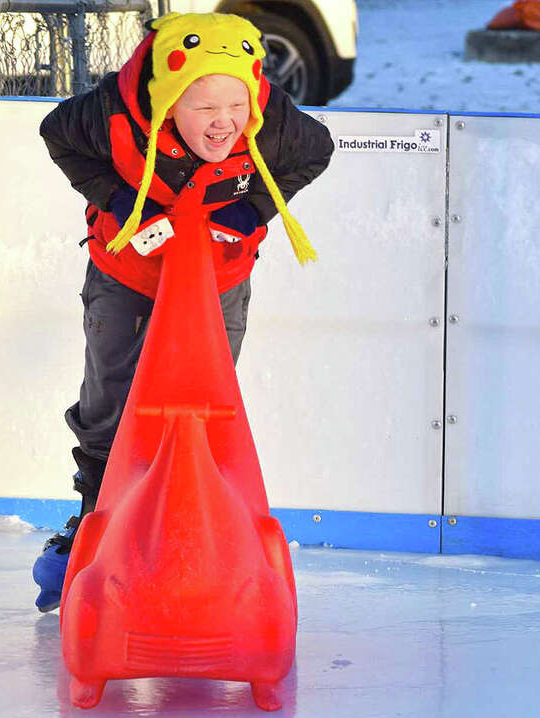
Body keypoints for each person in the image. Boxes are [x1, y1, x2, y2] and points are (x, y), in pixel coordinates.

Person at [32, 11, 334, 612]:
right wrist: (121, 201)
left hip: (217, 277)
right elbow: (57, 134)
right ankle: (94, 517)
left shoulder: (273, 120)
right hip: (128, 273)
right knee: (113, 396)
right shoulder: (110, 114)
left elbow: (315, 152)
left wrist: (253, 211)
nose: (225, 122)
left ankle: (196, 528)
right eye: (205, 108)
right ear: (169, 101)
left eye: (237, 105)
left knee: (203, 399)